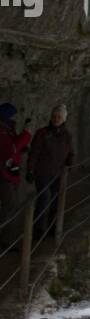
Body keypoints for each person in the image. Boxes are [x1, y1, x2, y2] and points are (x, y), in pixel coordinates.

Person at [27, 103, 74, 239]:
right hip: (42, 172)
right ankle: (38, 229)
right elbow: (34, 153)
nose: (56, 119)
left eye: (59, 117)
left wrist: (69, 164)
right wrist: (30, 170)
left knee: (55, 200)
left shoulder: (66, 135)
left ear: (64, 119)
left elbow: (70, 152)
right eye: (54, 116)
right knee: (44, 198)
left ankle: (53, 226)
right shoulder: (42, 133)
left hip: (58, 173)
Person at [0, 102, 32, 246]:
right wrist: (26, 134)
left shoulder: (7, 129)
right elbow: (10, 149)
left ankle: (8, 239)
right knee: (10, 207)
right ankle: (7, 241)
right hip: (4, 175)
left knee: (10, 206)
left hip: (8, 173)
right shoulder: (2, 131)